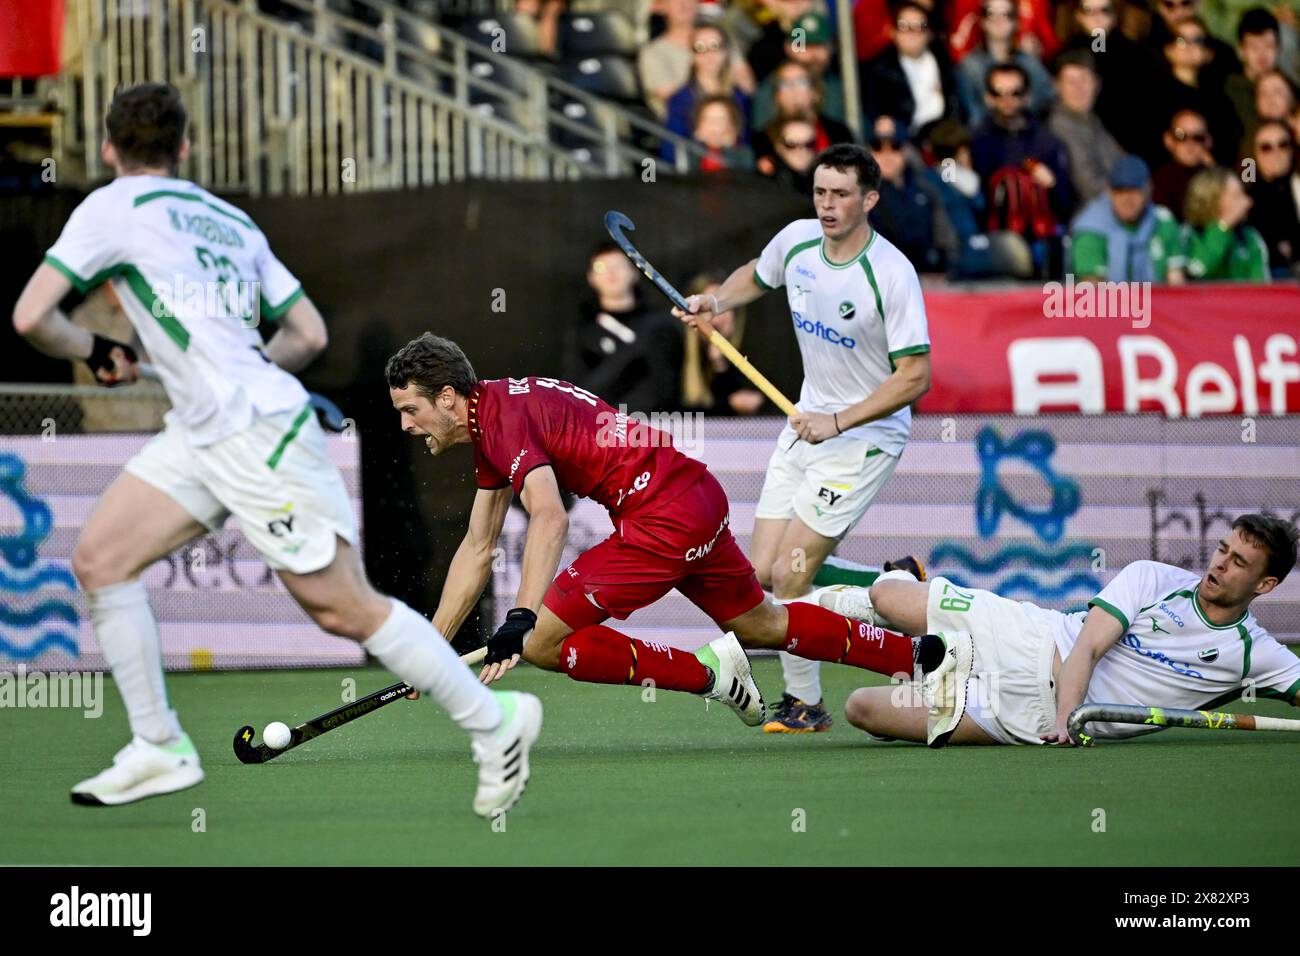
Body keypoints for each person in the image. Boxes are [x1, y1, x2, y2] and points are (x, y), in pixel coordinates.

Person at [9, 82, 541, 816]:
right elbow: (308, 334)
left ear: (108, 150)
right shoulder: (229, 219)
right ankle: (159, 745)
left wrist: (95, 347)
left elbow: (33, 316)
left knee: (343, 608)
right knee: (101, 560)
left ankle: (495, 722)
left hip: (253, 432)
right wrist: (244, 367)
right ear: (185, 150)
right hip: (203, 428)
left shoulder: (108, 207)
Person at [385, 335, 971, 736]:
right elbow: (478, 546)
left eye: (411, 410)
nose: (407, 426)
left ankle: (711, 675)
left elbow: (550, 517)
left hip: (661, 516)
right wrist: (433, 649)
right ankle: (921, 656)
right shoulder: (495, 415)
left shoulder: (502, 420)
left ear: (447, 397)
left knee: (540, 642)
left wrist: (520, 617)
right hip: (691, 496)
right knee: (762, 622)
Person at [673, 143, 933, 733]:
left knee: (792, 575)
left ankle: (805, 704)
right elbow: (756, 276)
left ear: (869, 199)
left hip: (865, 436)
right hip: (807, 423)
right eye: (820, 192)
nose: (827, 205)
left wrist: (838, 422)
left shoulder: (891, 273)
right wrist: (714, 302)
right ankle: (892, 581)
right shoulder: (795, 241)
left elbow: (916, 377)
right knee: (761, 573)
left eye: (841, 194)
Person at [839, 514, 1300, 745]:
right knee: (887, 600)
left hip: (1027, 716)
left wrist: (1055, 721)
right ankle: (904, 575)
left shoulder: (1255, 655)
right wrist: (1068, 720)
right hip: (1032, 638)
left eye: (1238, 561)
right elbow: (1089, 646)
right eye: (1223, 549)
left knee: (862, 708)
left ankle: (934, 663)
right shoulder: (1152, 577)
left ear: (1265, 584)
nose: (1220, 563)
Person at [564, 242, 684, 415]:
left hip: (655, 427)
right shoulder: (583, 330)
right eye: (601, 267)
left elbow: (669, 385)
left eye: (619, 265)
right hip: (603, 428)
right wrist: (633, 349)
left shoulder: (661, 325)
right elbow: (576, 391)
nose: (611, 273)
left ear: (634, 272)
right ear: (591, 277)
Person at [970, 62, 1073, 219]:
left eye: (1015, 93)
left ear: (1027, 96)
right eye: (998, 93)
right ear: (988, 98)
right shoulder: (976, 141)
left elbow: (1065, 201)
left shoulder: (1047, 140)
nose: (1007, 99)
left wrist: (1052, 185)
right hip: (995, 230)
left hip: (1041, 228)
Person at [1067, 154, 1186, 282]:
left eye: (1134, 191)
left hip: (1157, 300)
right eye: (1120, 191)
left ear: (1149, 190)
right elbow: (1092, 287)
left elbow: (1176, 281)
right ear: (1110, 193)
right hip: (1109, 300)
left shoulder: (1162, 220)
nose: (1127, 199)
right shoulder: (1091, 229)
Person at [1059, 0, 1154, 159]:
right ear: (1078, 16)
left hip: (1128, 140)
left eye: (1104, 10)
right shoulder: (1067, 54)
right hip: (1080, 138)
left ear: (1114, 15)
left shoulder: (1136, 54)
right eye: (1089, 11)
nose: (1097, 17)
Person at [1150, 16, 1243, 166]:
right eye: (1181, 40)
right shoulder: (1154, 95)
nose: (1189, 46)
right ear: (1168, 50)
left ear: (1208, 54)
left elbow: (1230, 142)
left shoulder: (1218, 100)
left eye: (1197, 40)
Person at [863, 1, 961, 136]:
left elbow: (955, 104)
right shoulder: (880, 69)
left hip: (942, 136)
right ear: (893, 32)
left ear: (929, 32)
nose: (912, 33)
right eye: (904, 26)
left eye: (919, 26)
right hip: (905, 140)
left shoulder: (943, 60)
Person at [955, 0, 1054, 128]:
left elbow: (1047, 101)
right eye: (991, 13)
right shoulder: (968, 66)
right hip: (984, 139)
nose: (998, 20)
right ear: (982, 21)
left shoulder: (1030, 64)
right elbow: (971, 117)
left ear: (1016, 22)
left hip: (1027, 137)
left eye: (1006, 14)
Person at [664, 21, 752, 162]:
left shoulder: (740, 97)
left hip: (736, 174)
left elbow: (748, 145)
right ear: (692, 55)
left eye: (715, 46)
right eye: (699, 48)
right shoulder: (679, 100)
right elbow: (672, 151)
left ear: (726, 51)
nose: (709, 54)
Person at [1047, 49, 1125, 210]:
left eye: (1084, 80)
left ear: (1097, 84)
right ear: (1057, 86)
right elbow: (1088, 186)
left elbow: (1122, 163)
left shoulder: (1092, 120)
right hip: (1089, 216)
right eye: (1071, 81)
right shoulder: (1060, 125)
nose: (1079, 88)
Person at [680, 272, 764, 415]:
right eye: (707, 310)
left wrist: (720, 365)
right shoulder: (677, 352)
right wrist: (729, 406)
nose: (717, 318)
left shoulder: (753, 351)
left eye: (723, 309)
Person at [749, 11, 844, 132]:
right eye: (804, 45)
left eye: (819, 45)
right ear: (788, 48)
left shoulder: (841, 89)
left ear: (832, 48)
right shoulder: (771, 88)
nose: (812, 54)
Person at [751, 59, 853, 170]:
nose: (793, 90)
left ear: (815, 92)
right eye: (784, 84)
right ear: (777, 96)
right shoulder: (763, 140)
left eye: (801, 82)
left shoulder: (839, 133)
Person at [1181, 165, 1272, 279]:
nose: (1248, 202)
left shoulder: (1250, 238)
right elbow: (1197, 270)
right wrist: (1222, 227)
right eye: (1237, 196)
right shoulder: (1188, 236)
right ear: (1212, 200)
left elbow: (1262, 288)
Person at [1246, 120, 1300, 275]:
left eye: (1282, 145)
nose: (1276, 153)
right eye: (1266, 147)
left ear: (1291, 149)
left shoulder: (1297, 185)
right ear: (1255, 153)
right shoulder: (1248, 197)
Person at [1226, 7, 1283, 135]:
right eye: (1254, 47)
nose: (1261, 54)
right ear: (1241, 51)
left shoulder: (1289, 89)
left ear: (1279, 49)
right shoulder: (1229, 92)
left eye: (1268, 46)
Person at [1151, 108, 1215, 214]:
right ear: (1168, 140)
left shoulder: (1213, 174)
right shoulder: (1158, 182)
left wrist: (1214, 170)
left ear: (1208, 141)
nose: (1189, 143)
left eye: (1198, 137)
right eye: (1181, 135)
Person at [759, 114, 820, 193]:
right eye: (791, 144)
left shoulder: (826, 179)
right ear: (778, 147)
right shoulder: (766, 184)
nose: (801, 151)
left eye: (809, 144)